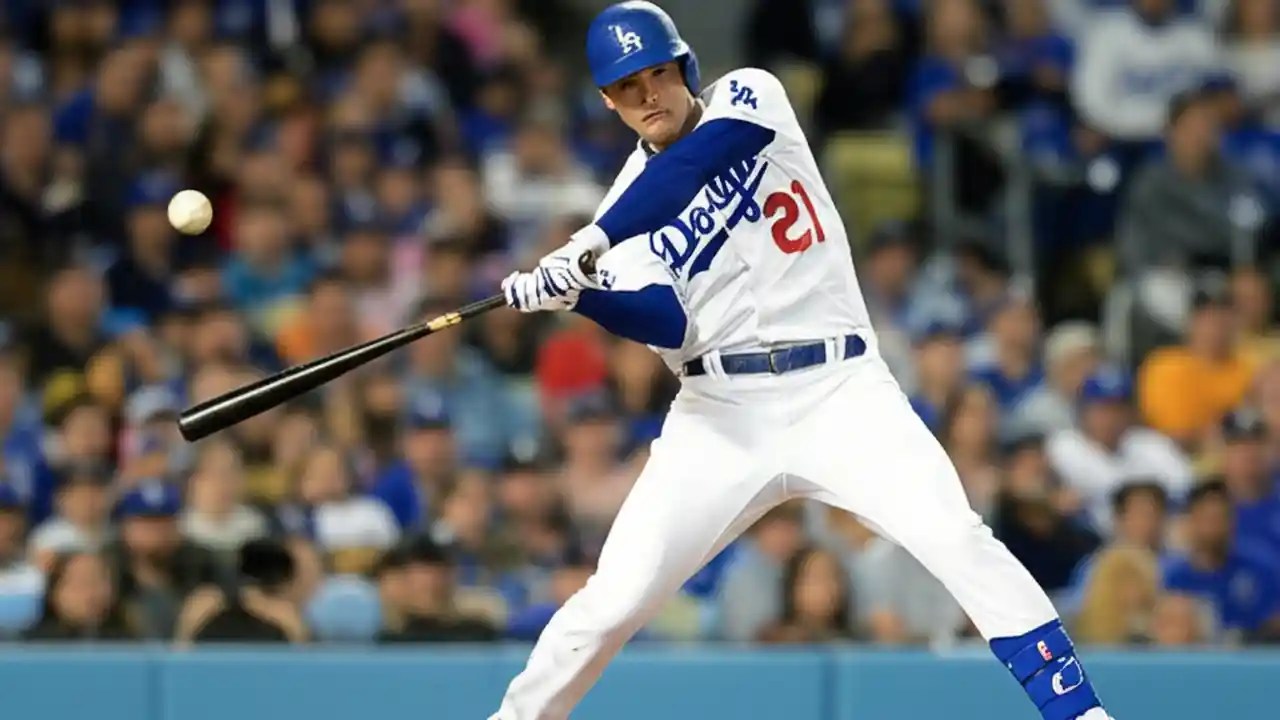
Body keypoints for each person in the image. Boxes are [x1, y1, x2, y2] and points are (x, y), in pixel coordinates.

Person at [489, 4, 1117, 720]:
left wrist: (588, 243)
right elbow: (668, 320)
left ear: (686, 67)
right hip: (719, 414)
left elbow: (695, 164)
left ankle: (1082, 715)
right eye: (628, 87)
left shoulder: (748, 95)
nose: (649, 95)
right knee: (612, 602)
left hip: (840, 389)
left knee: (956, 537)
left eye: (659, 73)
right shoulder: (622, 217)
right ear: (609, 101)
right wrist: (580, 297)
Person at [1163, 481, 1280, 643]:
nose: (1214, 528)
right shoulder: (1173, 579)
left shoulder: (1261, 570)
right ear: (1191, 522)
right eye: (1207, 519)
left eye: (1221, 518)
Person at [23, 551, 138, 642]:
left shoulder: (130, 645)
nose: (91, 593)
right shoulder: (31, 647)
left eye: (97, 582)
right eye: (81, 582)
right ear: (54, 593)